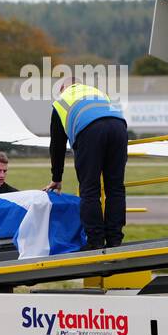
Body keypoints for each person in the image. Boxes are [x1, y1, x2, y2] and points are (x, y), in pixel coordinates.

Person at [44, 82, 128, 250]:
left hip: (90, 131)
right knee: (116, 188)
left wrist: (57, 178)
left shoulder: (61, 102)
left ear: (62, 90)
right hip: (119, 127)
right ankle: (115, 240)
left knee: (89, 189)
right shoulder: (97, 92)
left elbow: (57, 146)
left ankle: (95, 241)